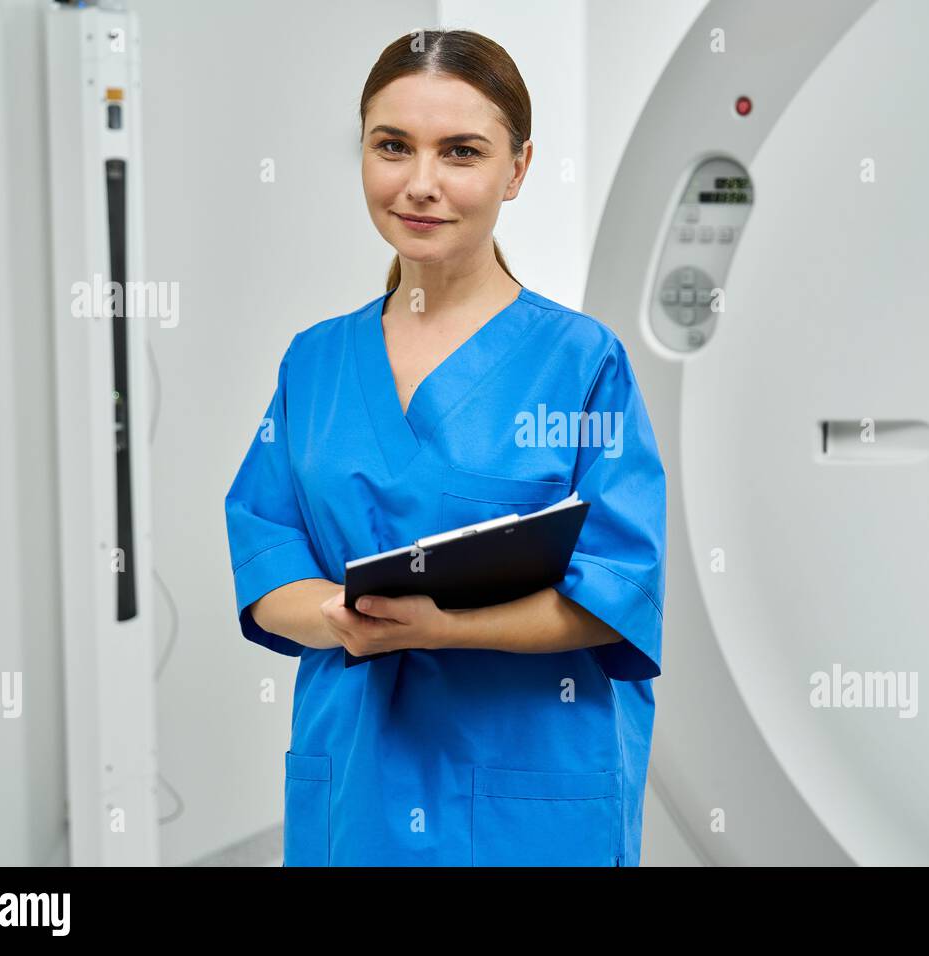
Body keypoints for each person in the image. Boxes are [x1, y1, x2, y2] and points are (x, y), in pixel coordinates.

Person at [224, 28, 666, 866]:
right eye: (393, 147)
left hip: (524, 786)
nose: (420, 184)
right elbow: (265, 551)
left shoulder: (581, 362)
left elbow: (618, 590)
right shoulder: (315, 361)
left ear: (518, 169)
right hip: (358, 776)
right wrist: (336, 617)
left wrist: (442, 628)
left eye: (461, 151)